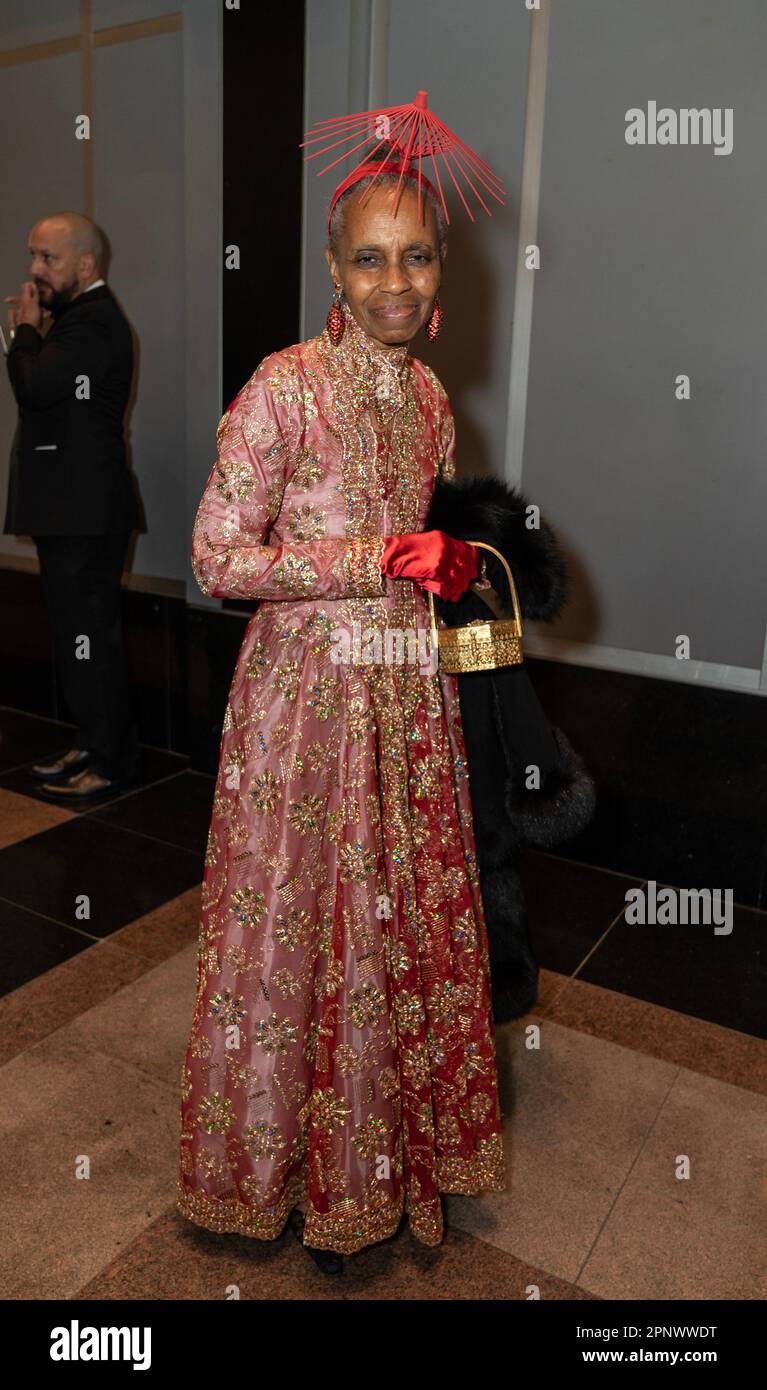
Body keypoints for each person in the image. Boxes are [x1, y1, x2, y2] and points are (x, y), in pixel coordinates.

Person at [177, 106, 508, 1275]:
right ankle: (270, 1172)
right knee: (295, 928)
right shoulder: (284, 385)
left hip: (407, 701)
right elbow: (217, 556)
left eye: (414, 255)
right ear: (331, 266)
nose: (393, 280)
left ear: (439, 269)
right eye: (368, 256)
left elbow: (442, 548)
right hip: (301, 703)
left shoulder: (428, 403)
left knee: (397, 927)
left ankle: (387, 1165)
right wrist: (364, 561)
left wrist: (459, 565)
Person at [4, 211, 140, 800]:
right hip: (73, 512)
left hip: (85, 515)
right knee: (76, 635)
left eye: (48, 258)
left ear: (85, 265)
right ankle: (91, 740)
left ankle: (111, 761)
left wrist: (25, 333)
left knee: (90, 637)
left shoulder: (92, 323)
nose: (34, 271)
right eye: (33, 255)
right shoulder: (79, 318)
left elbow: (34, 389)